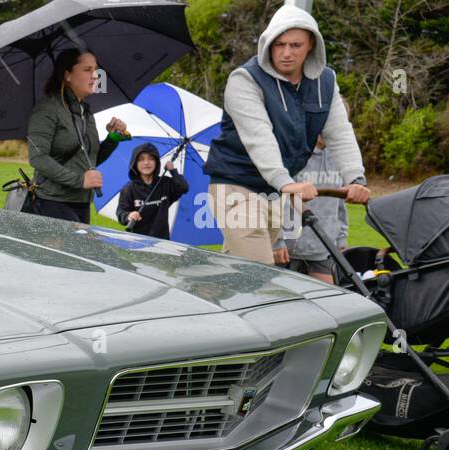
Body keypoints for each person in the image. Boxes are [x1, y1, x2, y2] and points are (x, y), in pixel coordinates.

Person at [202, 4, 368, 265]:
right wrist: (286, 183)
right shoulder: (245, 79)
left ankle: (210, 297)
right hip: (236, 185)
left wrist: (355, 178)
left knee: (238, 269)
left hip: (276, 191)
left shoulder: (325, 82)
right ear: (268, 43)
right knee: (260, 271)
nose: (286, 53)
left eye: (295, 45)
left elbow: (340, 133)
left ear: (311, 44)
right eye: (279, 44)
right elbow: (260, 138)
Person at [26, 48, 129, 223]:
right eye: (87, 70)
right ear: (67, 75)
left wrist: (112, 139)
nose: (95, 75)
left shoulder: (85, 113)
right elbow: (38, 157)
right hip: (53, 202)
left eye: (96, 69)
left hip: (81, 203)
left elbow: (89, 159)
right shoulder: (47, 109)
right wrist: (79, 180)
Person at [276, 135, 348, 283]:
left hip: (324, 248)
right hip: (289, 249)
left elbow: (340, 203)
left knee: (328, 301)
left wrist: (341, 237)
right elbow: (278, 201)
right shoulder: (295, 157)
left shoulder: (339, 159)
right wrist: (278, 240)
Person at [114, 142, 189, 239]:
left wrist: (172, 170)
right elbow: (121, 212)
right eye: (141, 159)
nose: (146, 162)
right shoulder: (129, 188)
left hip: (162, 240)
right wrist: (129, 215)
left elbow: (183, 188)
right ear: (135, 163)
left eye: (151, 158)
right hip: (137, 241)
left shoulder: (165, 183)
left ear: (157, 162)